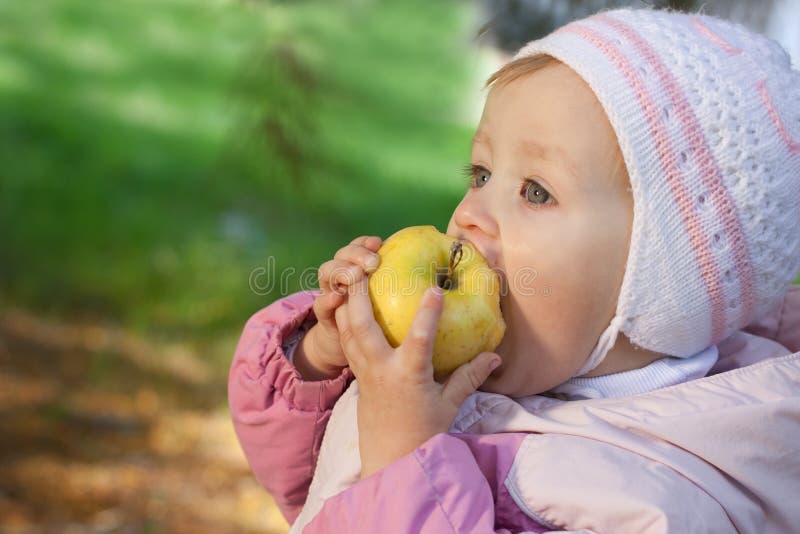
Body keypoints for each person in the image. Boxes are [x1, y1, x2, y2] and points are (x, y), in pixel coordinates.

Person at [228, 7, 800, 533]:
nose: (470, 215)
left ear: (659, 286)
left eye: (535, 191)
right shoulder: (436, 379)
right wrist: (321, 357)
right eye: (480, 173)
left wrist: (402, 465)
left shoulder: (654, 504)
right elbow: (303, 483)